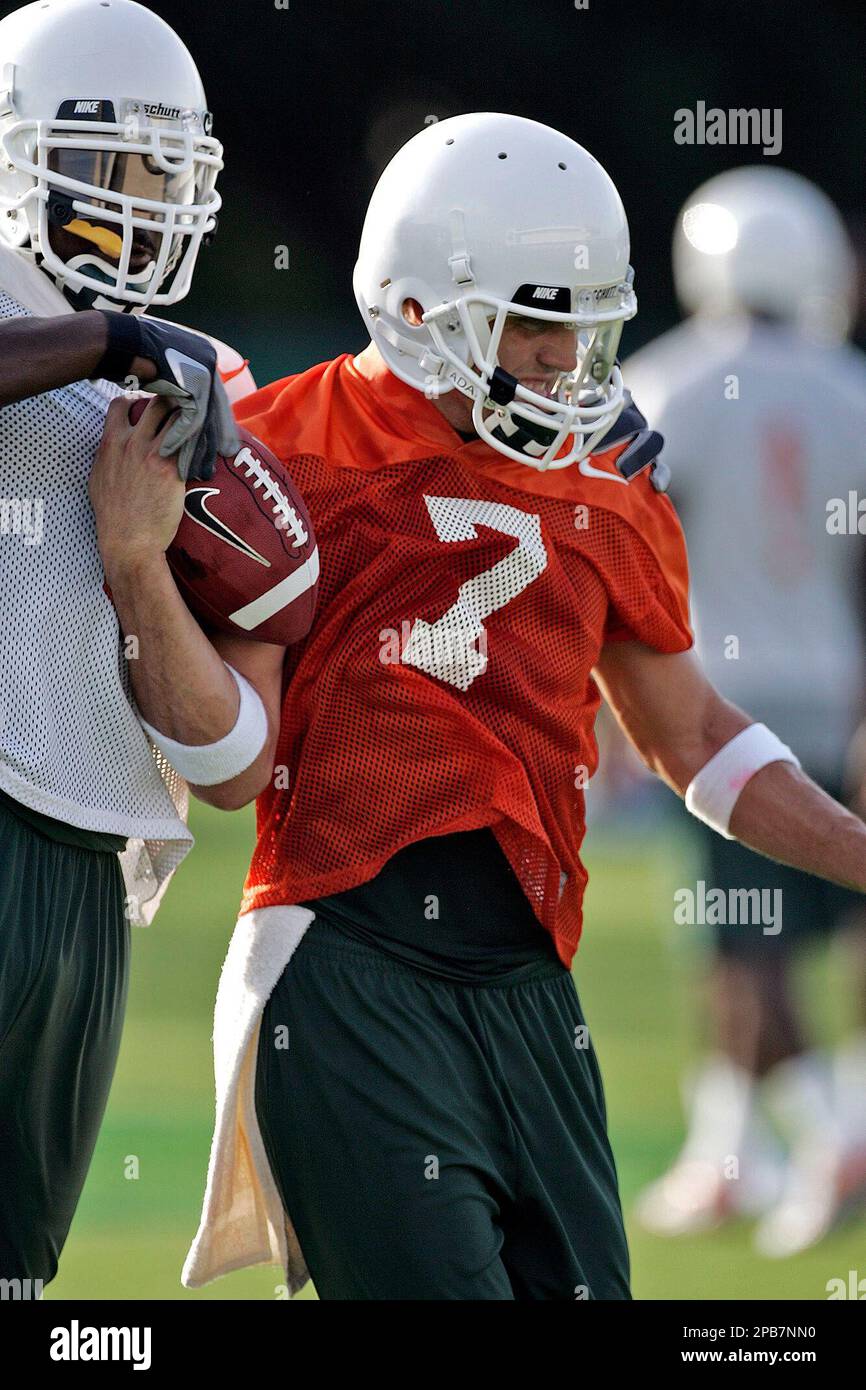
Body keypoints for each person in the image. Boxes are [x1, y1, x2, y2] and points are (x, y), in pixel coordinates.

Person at [124, 112, 866, 1301]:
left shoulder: (607, 480)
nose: (564, 356)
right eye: (533, 319)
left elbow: (693, 740)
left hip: (533, 988)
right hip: (345, 957)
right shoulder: (277, 453)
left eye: (584, 321)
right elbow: (218, 746)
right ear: (417, 309)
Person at [0, 0, 263, 1291]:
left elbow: (232, 759)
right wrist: (112, 338)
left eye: (168, 171)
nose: (146, 202)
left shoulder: (200, 376)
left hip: (86, 867)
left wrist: (139, 562)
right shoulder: (97, 335)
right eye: (119, 166)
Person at [625, 166, 866, 1257]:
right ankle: (726, 1157)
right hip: (827, 691)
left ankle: (833, 1135)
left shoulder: (665, 384)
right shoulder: (847, 386)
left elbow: (617, 560)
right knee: (783, 933)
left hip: (707, 706)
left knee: (742, 947)